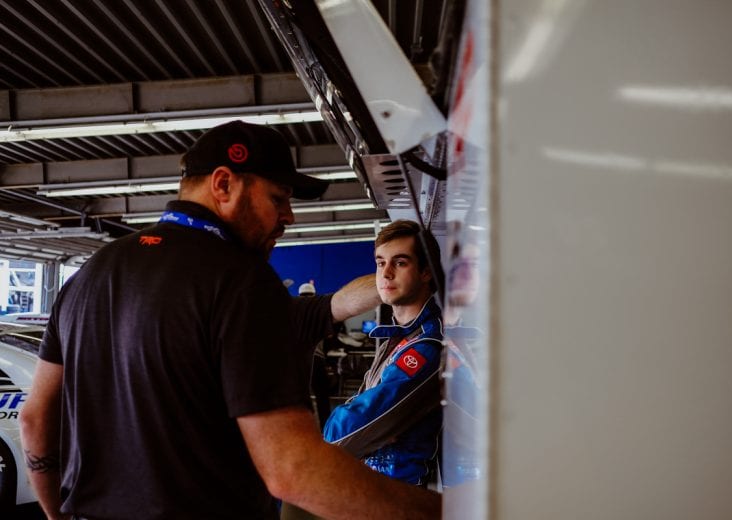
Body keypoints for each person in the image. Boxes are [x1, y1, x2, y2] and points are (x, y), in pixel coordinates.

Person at [19, 121, 440, 520]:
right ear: (223, 185)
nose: (288, 216)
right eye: (278, 198)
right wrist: (449, 512)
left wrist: (58, 514)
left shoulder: (90, 274)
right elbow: (293, 470)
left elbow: (35, 419)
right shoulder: (241, 281)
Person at [323, 219, 444, 486]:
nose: (386, 274)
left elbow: (346, 432)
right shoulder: (398, 338)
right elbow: (361, 413)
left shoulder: (427, 347)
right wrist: (373, 430)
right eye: (380, 263)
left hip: (402, 494)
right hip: (375, 486)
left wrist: (364, 429)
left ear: (426, 272)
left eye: (400, 263)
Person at [297, 281, 333, 430]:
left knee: (300, 397)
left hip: (298, 360)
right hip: (317, 359)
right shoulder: (320, 312)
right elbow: (330, 337)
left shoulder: (293, 312)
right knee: (322, 396)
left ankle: (303, 429)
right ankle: (326, 429)